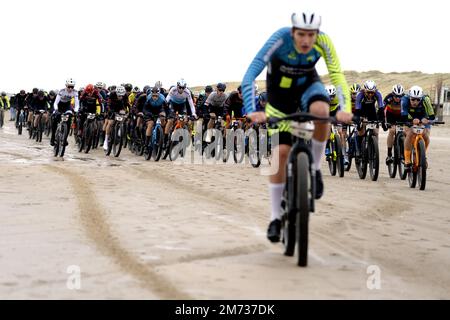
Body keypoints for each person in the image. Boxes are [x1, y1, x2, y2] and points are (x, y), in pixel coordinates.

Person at [241, 11, 353, 243]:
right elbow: (251, 74)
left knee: (322, 113)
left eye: (310, 35)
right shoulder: (280, 39)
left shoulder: (324, 41)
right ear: (293, 32)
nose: (306, 40)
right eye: (301, 34)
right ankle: (274, 217)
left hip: (308, 86)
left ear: (317, 34)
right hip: (279, 94)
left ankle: (315, 166)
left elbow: (337, 75)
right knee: (280, 153)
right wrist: (252, 109)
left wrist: (345, 107)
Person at [401, 85, 435, 171]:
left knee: (426, 135)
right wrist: (412, 120)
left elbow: (431, 115)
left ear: (421, 98)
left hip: (422, 117)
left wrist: (427, 119)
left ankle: (423, 156)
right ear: (409, 97)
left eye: (417, 100)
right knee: (409, 134)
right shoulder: (404, 100)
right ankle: (407, 160)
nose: (415, 102)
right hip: (409, 117)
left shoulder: (426, 99)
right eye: (413, 99)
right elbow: (403, 116)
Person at [354, 80, 383, 155]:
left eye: (372, 92)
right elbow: (357, 109)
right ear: (364, 90)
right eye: (368, 92)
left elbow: (381, 108)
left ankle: (374, 148)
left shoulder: (378, 94)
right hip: (362, 111)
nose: (370, 94)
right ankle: (359, 149)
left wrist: (382, 120)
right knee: (361, 131)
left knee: (376, 132)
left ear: (375, 91)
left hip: (372, 112)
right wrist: (358, 120)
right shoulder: (360, 95)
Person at [51, 78, 80, 146]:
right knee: (55, 120)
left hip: (67, 105)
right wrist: (56, 110)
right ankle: (52, 138)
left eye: (72, 87)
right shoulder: (61, 91)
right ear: (66, 85)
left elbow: (77, 103)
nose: (70, 88)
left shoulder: (75, 92)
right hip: (59, 105)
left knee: (69, 119)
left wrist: (76, 111)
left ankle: (65, 139)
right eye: (69, 86)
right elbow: (55, 103)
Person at [381, 84, 405, 165]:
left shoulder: (405, 98)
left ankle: (403, 153)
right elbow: (382, 109)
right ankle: (389, 155)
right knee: (392, 131)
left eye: (400, 96)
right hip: (390, 115)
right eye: (396, 96)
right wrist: (383, 121)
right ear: (393, 94)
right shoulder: (388, 98)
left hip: (401, 115)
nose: (398, 98)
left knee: (405, 132)